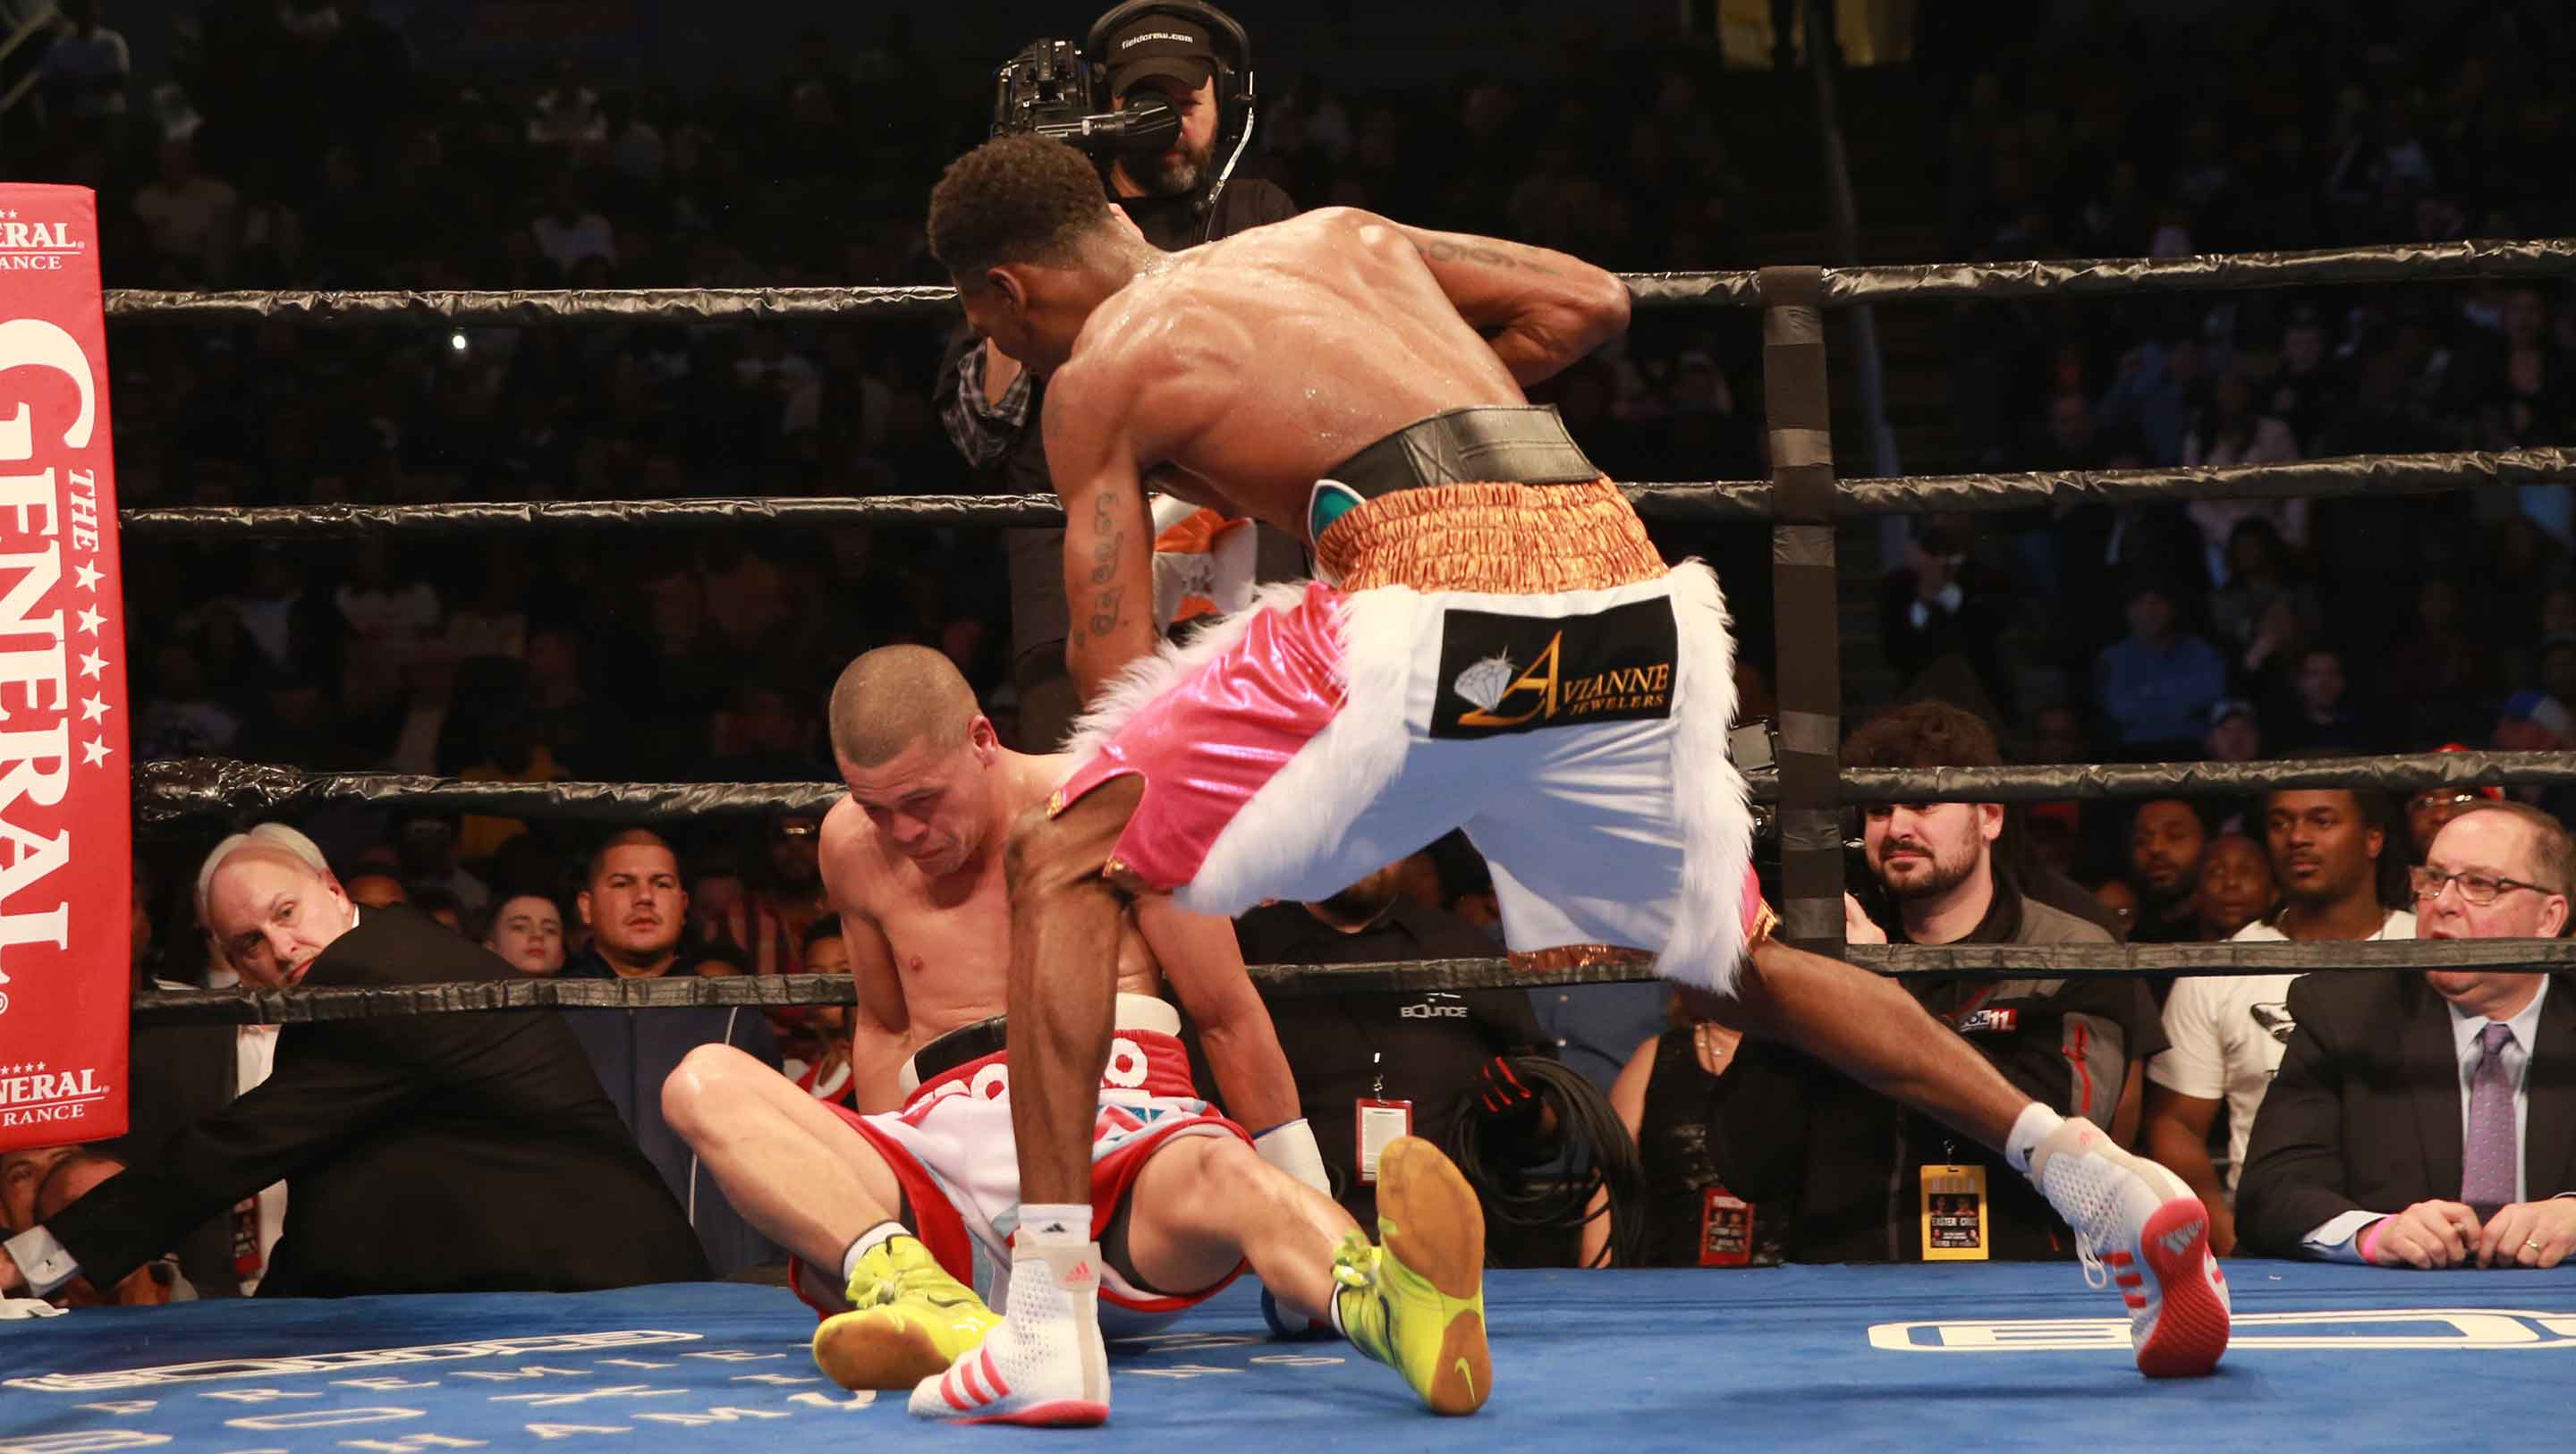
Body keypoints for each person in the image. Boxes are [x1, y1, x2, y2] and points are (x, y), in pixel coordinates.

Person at [922, 132, 2228, 1419]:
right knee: (1735, 961)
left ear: (1005, 293)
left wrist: (1145, 794)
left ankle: (1045, 1318)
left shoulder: (1098, 372)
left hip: (1421, 598)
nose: (1011, 358)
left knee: (1063, 851)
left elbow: (1113, 667)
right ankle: (2097, 1178)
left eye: (996, 333)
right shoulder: (1335, 236)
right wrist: (1436, 449)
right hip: (1619, 575)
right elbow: (1586, 300)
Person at [661, 646, 1489, 1420]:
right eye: (879, 810)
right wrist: (889, 1176)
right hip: (943, 1149)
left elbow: (1225, 1012)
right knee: (702, 1079)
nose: (904, 835)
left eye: (922, 802)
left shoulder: (1108, 804)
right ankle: (915, 1291)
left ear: (983, 739)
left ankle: (1384, 1307)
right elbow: (884, 1027)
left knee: (1220, 1167)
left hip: (1119, 1135)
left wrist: (1312, 1190)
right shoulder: (850, 843)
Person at [0, 824, 706, 1300]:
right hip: (573, 1287)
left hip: (608, 1292)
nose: (279, 947)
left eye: (287, 911)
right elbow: (340, 1197)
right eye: (248, 942)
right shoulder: (377, 967)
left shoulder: (377, 975)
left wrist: (33, 1256)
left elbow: (243, 1144)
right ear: (230, 964)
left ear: (335, 892)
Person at [938, 1, 1301, 752]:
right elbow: (978, 430)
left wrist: (1144, 273)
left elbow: (1289, 379)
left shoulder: (1258, 211)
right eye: (1145, 105)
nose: (1167, 123)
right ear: (1107, 111)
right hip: (1077, 579)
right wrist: (1029, 223)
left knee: (1264, 811)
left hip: (1247, 567)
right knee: (1092, 821)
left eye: (1186, 103)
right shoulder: (1047, 223)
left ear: (1223, 105)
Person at [2235, 803, 2576, 1266]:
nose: (2444, 903)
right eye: (2434, 879)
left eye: (2480, 885)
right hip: (2390, 1308)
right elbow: (2270, 1191)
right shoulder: (2344, 1012)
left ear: (2549, 918)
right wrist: (2373, 1233)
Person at [2142, 790, 2416, 1255]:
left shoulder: (2432, 949)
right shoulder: (2220, 968)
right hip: (2276, 1237)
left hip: (2419, 1228)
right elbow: (2176, 1124)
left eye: (2322, 821)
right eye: (2280, 823)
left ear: (2373, 839)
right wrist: (2225, 1231)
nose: (2298, 838)